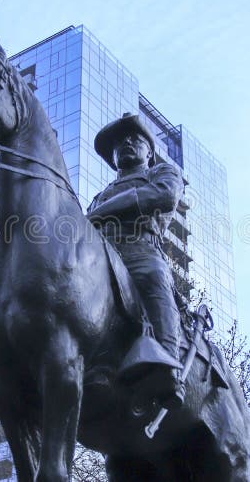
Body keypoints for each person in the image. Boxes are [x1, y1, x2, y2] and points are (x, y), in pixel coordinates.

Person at [88, 112, 185, 408]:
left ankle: (169, 365)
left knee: (154, 278)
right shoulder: (100, 195)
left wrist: (100, 214)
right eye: (119, 144)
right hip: (100, 258)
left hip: (140, 250)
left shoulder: (162, 173)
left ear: (149, 150)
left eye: (134, 140)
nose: (126, 144)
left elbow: (163, 195)